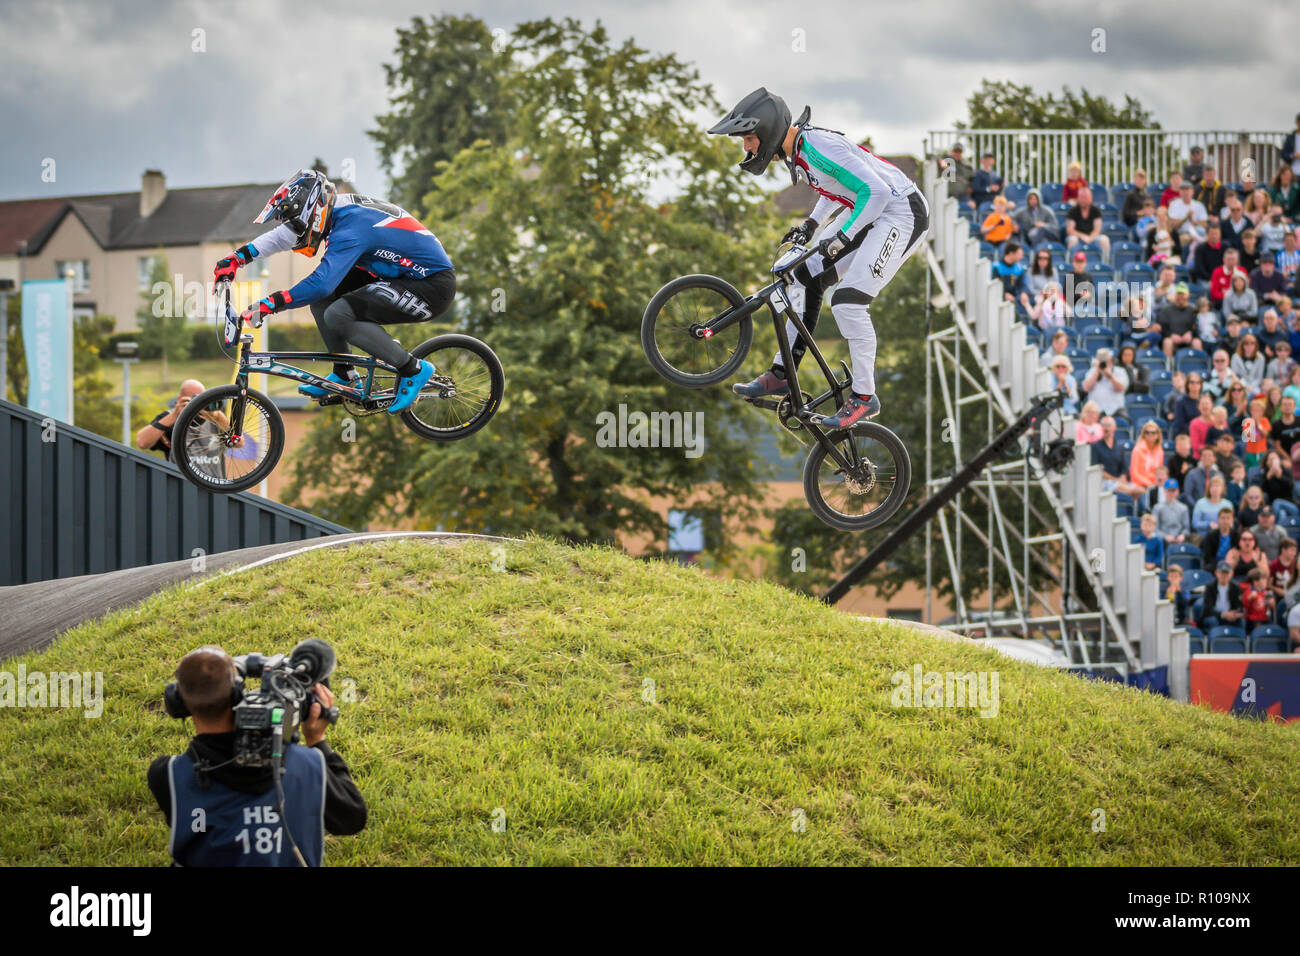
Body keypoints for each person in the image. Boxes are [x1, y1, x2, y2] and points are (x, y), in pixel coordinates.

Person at [716, 89, 929, 427]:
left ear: (769, 129)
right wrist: (811, 226)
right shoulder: (802, 152)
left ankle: (863, 396)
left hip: (900, 212)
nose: (746, 147)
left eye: (748, 138)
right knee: (805, 277)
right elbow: (837, 189)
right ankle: (781, 373)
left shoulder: (817, 148)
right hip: (874, 209)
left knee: (847, 302)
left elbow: (874, 192)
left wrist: (842, 237)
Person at [212, 169, 454, 413]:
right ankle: (344, 372)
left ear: (315, 214)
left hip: (430, 286)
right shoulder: (336, 209)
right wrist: (236, 259)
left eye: (298, 224)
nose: (296, 231)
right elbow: (282, 237)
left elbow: (321, 282)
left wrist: (271, 304)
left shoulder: (351, 230)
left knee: (338, 314)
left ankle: (412, 369)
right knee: (323, 302)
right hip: (398, 274)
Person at [147, 646, 367, 866]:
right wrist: (317, 741)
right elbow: (352, 819)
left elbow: (196, 822)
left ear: (179, 703)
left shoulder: (167, 776)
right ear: (236, 694)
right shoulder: (308, 764)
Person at [136, 380, 217, 461]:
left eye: (201, 399)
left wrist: (217, 416)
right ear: (179, 400)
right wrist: (174, 416)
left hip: (211, 472)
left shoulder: (213, 416)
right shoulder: (171, 416)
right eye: (192, 400)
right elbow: (142, 442)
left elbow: (229, 438)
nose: (196, 404)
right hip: (176, 472)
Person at [1065, 187, 1108, 261]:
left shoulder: (1096, 211)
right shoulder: (1073, 211)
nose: (1084, 200)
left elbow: (1097, 229)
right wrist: (1082, 236)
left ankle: (1105, 265)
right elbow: (1070, 230)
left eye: (1086, 197)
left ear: (1091, 198)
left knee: (1104, 240)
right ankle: (1071, 266)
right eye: (1081, 197)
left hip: (1093, 237)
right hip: (1078, 237)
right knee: (1072, 239)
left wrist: (1090, 238)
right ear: (1078, 198)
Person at [1157, 283, 1199, 358]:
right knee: (1167, 342)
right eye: (1179, 294)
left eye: (1183, 294)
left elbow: (1197, 326)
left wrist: (1191, 334)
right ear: (1175, 295)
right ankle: (1168, 367)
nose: (1181, 296)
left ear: (1188, 295)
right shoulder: (1166, 309)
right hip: (1172, 339)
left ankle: (1199, 368)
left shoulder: (1193, 310)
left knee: (1197, 342)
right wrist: (1170, 335)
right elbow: (1162, 327)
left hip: (1188, 339)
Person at [1198, 560, 1244, 630]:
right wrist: (1223, 614)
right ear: (1216, 573)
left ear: (1231, 574)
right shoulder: (1210, 587)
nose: (1224, 575)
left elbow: (1239, 605)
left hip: (1230, 615)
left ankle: (1239, 639)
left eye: (1226, 573)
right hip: (1215, 616)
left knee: (1241, 621)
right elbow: (1207, 609)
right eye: (1222, 573)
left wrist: (1235, 614)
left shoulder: (1236, 587)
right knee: (1212, 621)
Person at [1081, 348, 1128, 415]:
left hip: (1116, 410)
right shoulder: (1092, 371)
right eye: (1101, 361)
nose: (1104, 364)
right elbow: (1085, 388)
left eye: (1106, 361)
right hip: (1096, 411)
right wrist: (1097, 372)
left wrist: (1110, 376)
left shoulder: (1120, 371)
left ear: (1111, 361)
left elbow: (1121, 388)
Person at [1153, 477, 1190, 545]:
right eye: (1169, 490)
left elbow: (1186, 528)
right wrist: (1165, 536)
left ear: (1177, 491)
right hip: (1163, 541)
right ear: (1164, 490)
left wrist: (1182, 535)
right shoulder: (1157, 508)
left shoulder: (1183, 508)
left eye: (1173, 490)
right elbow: (1155, 529)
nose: (1171, 493)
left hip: (1179, 541)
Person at [1129, 420, 1165, 491]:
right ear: (1144, 435)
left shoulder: (1160, 451)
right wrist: (1149, 484)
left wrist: (1156, 484)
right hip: (1139, 484)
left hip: (1155, 484)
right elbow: (1134, 473)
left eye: (1153, 433)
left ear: (1157, 435)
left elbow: (1160, 472)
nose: (1150, 435)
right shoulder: (1137, 449)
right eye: (1147, 432)